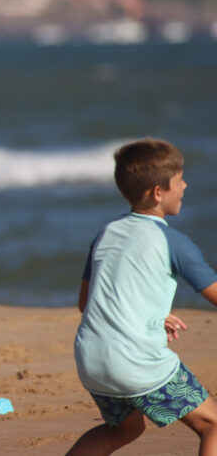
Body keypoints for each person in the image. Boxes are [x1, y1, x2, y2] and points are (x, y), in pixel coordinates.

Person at [67, 138, 217, 455]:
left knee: (124, 428)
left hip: (91, 360)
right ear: (158, 192)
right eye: (179, 180)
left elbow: (87, 304)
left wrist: (148, 314)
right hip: (136, 361)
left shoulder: (105, 234)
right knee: (212, 425)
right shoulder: (173, 242)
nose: (185, 185)